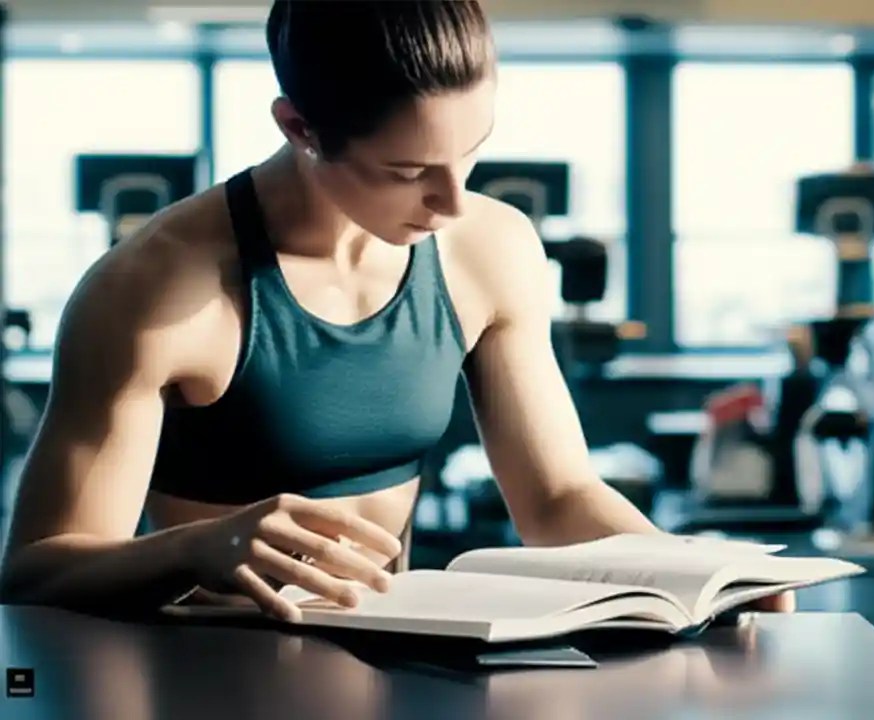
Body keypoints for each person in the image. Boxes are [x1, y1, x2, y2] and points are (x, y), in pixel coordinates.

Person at [0, 1, 793, 622]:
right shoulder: (152, 290)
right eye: (410, 170)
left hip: (398, 657)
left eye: (471, 151)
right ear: (299, 128)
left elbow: (555, 499)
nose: (452, 201)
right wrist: (196, 548)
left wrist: (697, 577)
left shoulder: (492, 247)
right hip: (208, 668)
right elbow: (36, 570)